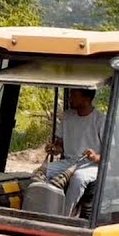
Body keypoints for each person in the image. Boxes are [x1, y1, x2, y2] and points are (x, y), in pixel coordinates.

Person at [43, 88, 106, 216]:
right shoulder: (67, 116)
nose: (70, 98)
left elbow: (111, 153)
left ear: (86, 98)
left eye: (74, 95)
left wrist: (95, 156)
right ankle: (44, 209)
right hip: (68, 162)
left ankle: (65, 215)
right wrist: (54, 149)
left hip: (91, 165)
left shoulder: (101, 120)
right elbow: (60, 145)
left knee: (78, 178)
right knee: (41, 172)